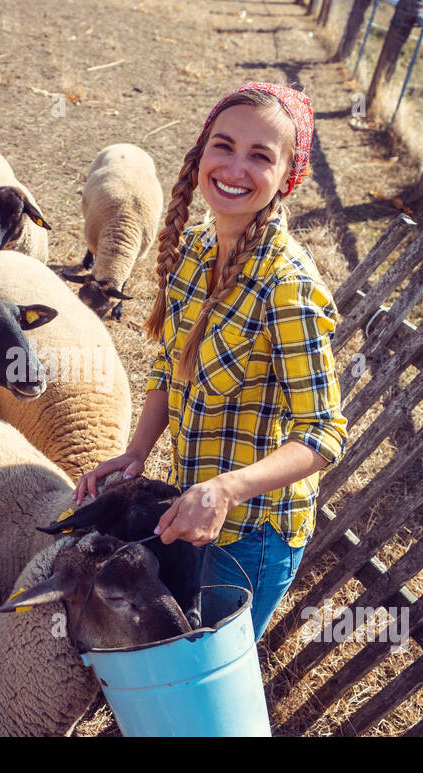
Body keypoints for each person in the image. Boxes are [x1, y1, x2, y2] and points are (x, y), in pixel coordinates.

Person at [74, 82, 347, 643]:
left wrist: (226, 490)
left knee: (211, 667)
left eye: (260, 156)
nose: (235, 167)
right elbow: (169, 365)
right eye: (223, 146)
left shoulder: (288, 287)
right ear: (200, 154)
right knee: (178, 639)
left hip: (252, 533)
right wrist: (136, 450)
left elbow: (323, 433)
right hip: (191, 505)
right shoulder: (197, 247)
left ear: (287, 176)